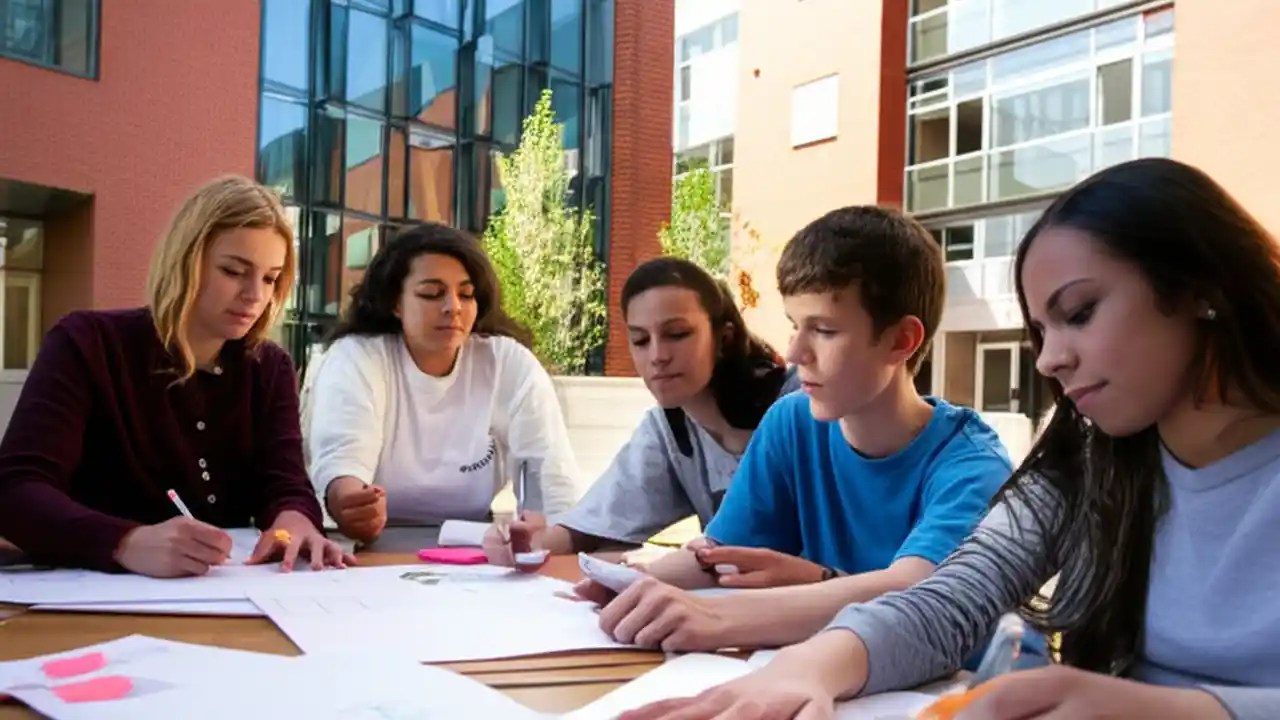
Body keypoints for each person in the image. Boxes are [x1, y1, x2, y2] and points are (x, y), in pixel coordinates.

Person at [620, 158, 1280, 720]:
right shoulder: (1087, 464)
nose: (1050, 360)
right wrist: (812, 667)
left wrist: (1187, 710)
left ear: (1200, 289)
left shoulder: (972, 454)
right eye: (1041, 332)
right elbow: (953, 596)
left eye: (1080, 313)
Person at [585, 205, 1015, 657]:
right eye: (794, 326)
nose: (794, 353)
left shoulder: (971, 464)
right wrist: (634, 583)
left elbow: (915, 593)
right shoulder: (792, 422)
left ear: (900, 340)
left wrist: (720, 616)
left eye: (823, 330)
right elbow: (722, 554)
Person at [0, 175, 350, 577]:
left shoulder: (269, 366)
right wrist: (124, 542)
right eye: (234, 271)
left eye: (270, 278)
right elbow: (15, 489)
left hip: (225, 592)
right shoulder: (86, 343)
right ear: (185, 260)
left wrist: (295, 519)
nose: (255, 295)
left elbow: (286, 482)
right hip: (89, 593)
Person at [483, 257, 798, 565]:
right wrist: (528, 544)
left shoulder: (796, 406)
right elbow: (594, 526)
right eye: (640, 340)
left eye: (677, 334)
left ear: (723, 339)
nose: (657, 355)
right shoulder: (669, 428)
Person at [303, 223, 580, 543]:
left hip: (474, 549)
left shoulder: (506, 362)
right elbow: (342, 463)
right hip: (369, 548)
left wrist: (552, 539)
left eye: (466, 294)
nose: (453, 307)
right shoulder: (356, 358)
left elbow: (553, 481)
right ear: (395, 303)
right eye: (432, 294)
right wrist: (352, 506)